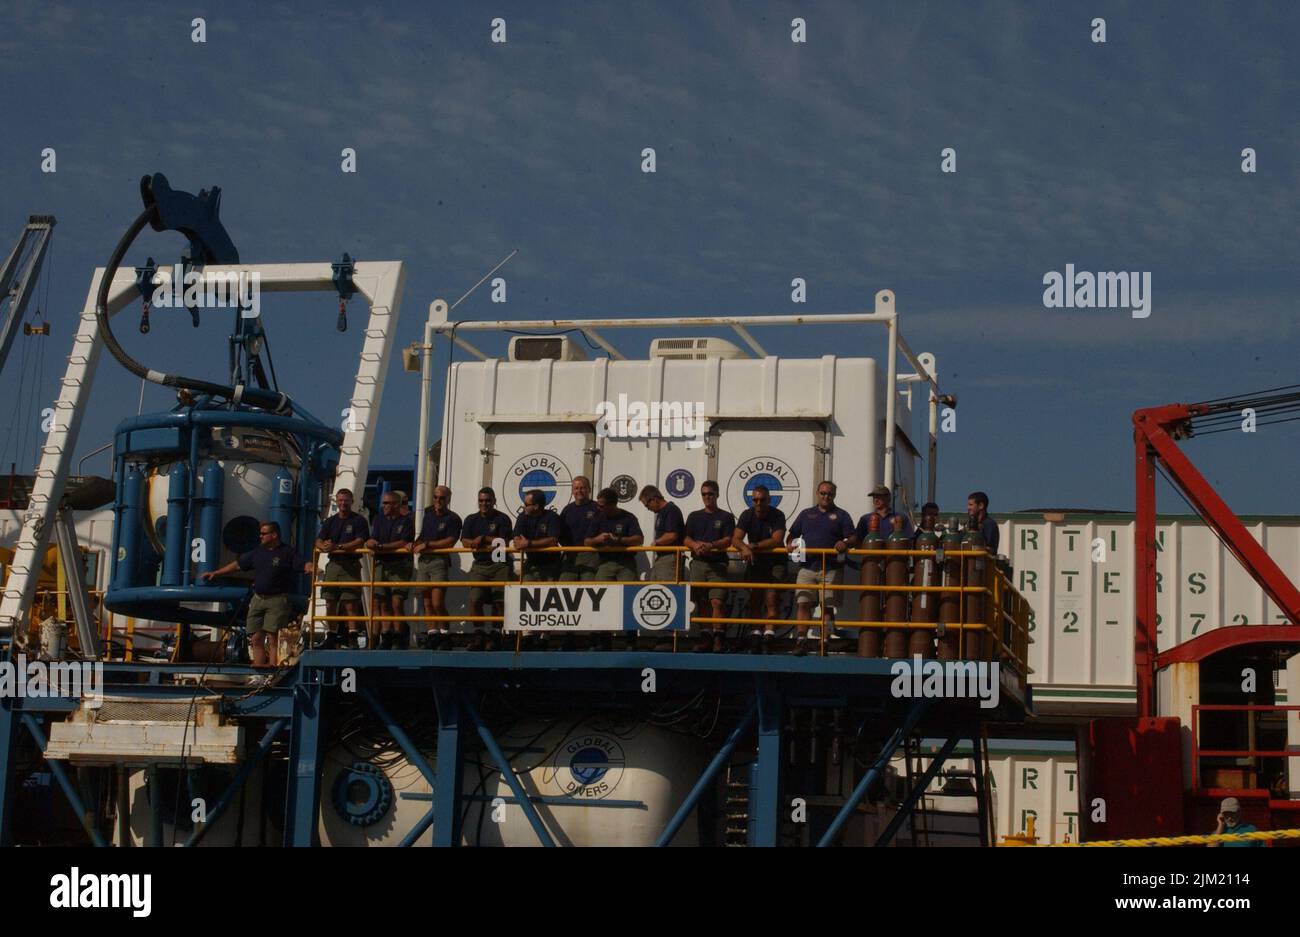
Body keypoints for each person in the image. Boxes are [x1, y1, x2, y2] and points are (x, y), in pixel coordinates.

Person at [202, 521, 313, 667]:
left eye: (264, 533)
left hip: (277, 599)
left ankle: (272, 667)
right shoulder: (257, 552)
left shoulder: (287, 552)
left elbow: (302, 563)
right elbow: (238, 565)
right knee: (255, 637)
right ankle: (258, 666)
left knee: (272, 637)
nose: (260, 536)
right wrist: (216, 573)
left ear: (274, 535)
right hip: (258, 598)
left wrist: (310, 566)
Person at [787, 481, 855, 656]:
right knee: (803, 603)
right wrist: (790, 544)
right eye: (823, 493)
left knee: (828, 607)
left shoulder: (842, 515)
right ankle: (801, 640)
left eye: (830, 494)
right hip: (807, 567)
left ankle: (825, 642)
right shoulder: (806, 514)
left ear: (834, 495)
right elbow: (792, 535)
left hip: (831, 568)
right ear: (817, 494)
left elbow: (853, 538)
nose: (826, 496)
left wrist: (845, 543)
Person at [583, 488, 644, 649]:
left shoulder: (628, 517)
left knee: (630, 598)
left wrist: (618, 540)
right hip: (605, 562)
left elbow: (639, 539)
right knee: (602, 599)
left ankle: (631, 640)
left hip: (626, 562)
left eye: (601, 505)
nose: (598, 508)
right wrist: (598, 539)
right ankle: (605, 640)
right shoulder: (598, 518)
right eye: (598, 505)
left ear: (612, 504)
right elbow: (587, 541)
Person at [733, 484, 787, 654]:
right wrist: (744, 548)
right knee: (755, 598)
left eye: (762, 500)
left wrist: (753, 546)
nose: (758, 503)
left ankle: (769, 636)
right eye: (755, 500)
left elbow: (777, 540)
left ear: (769, 500)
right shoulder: (747, 514)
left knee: (772, 598)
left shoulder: (777, 515)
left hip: (775, 562)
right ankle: (756, 635)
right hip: (756, 561)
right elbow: (735, 539)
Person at [684, 480, 736, 653]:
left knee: (717, 602)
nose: (707, 497)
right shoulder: (694, 516)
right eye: (704, 494)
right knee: (702, 602)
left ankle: (718, 637)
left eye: (710, 494)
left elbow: (728, 539)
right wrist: (695, 545)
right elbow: (685, 538)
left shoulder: (726, 517)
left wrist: (711, 545)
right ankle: (706, 637)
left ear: (717, 495)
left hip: (717, 565)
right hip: (698, 563)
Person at [314, 488, 369, 648]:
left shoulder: (359, 520)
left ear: (352, 501)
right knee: (329, 601)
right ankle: (331, 635)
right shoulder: (330, 521)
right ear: (336, 502)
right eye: (340, 500)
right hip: (333, 565)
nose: (343, 503)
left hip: (350, 565)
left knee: (350, 603)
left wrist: (338, 547)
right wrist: (323, 546)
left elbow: (360, 541)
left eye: (346, 500)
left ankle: (353, 637)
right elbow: (318, 540)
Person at [460, 487, 514, 650]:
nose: (484, 504)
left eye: (488, 500)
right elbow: (464, 541)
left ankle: (495, 635)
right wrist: (475, 542)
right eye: (481, 500)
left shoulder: (502, 518)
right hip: (480, 563)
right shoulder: (471, 519)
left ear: (494, 501)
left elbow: (503, 541)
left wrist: (483, 538)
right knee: (475, 599)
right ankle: (479, 633)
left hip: (499, 563)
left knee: (499, 600)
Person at [513, 489, 562, 649]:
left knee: (548, 600)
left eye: (526, 504)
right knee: (526, 596)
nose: (523, 507)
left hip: (550, 563)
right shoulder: (522, 517)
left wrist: (529, 543)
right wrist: (534, 544)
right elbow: (517, 541)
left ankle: (544, 636)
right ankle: (527, 635)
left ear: (537, 506)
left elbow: (553, 540)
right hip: (532, 563)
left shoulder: (552, 517)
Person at [413, 485, 461, 650]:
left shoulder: (453, 518)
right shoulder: (428, 516)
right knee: (427, 602)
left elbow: (450, 541)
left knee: (438, 602)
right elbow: (422, 536)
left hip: (439, 561)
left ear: (448, 499)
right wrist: (414, 544)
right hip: (424, 561)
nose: (438, 501)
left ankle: (445, 635)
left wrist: (427, 544)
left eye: (442, 498)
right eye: (435, 497)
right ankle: (432, 634)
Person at [365, 491, 416, 649]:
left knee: (397, 602)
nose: (385, 506)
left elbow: (403, 541)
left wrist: (381, 547)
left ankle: (398, 636)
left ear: (396, 505)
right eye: (384, 503)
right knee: (381, 602)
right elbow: (374, 538)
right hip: (382, 564)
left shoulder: (406, 521)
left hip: (398, 565)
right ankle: (384, 636)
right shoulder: (379, 520)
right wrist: (371, 543)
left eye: (388, 503)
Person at [639, 485, 685, 583]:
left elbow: (672, 535)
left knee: (667, 588)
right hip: (662, 558)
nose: (648, 509)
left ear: (654, 499)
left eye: (647, 505)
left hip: (670, 557)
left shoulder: (671, 510)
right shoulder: (662, 513)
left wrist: (656, 542)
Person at [559, 476, 601, 582]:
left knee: (588, 585)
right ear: (572, 491)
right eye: (576, 488)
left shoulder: (597, 508)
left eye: (582, 488)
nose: (579, 491)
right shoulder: (567, 510)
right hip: (570, 554)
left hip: (591, 554)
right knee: (564, 584)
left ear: (589, 489)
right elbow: (560, 533)